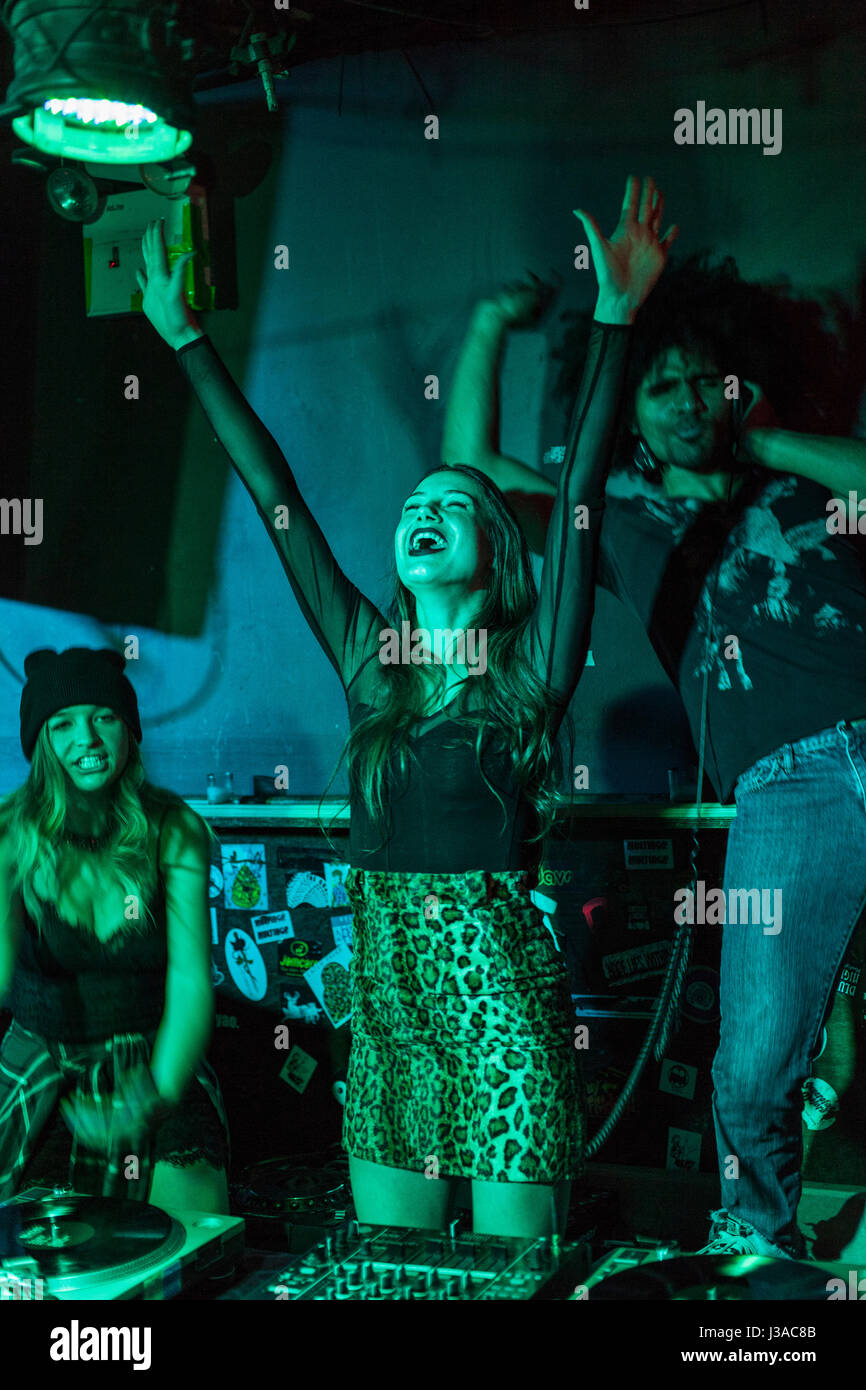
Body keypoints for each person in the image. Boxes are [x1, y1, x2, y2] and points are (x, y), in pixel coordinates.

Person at [136, 176, 677, 1237]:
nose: (426, 510)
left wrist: (613, 320)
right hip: (382, 1007)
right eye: (414, 505)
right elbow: (274, 493)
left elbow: (575, 507)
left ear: (496, 556)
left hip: (502, 1007)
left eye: (457, 504)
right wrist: (186, 338)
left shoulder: (524, 678)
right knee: (397, 1266)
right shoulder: (368, 664)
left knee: (511, 1274)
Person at [442, 248, 866, 1258]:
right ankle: (753, 1256)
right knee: (754, 1059)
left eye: (701, 383)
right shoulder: (619, 514)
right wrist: (484, 333)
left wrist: (765, 436)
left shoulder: (803, 478)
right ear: (627, 410)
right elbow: (467, 480)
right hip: (789, 778)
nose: (683, 403)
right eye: (659, 386)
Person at [0, 647, 230, 1213]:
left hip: (157, 1059)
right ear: (42, 743)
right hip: (42, 1065)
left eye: (103, 716)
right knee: (42, 1252)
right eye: (63, 724)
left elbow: (191, 984)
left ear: (128, 728)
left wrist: (154, 1095)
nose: (88, 739)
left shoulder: (174, 830)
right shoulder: (10, 836)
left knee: (190, 1240)